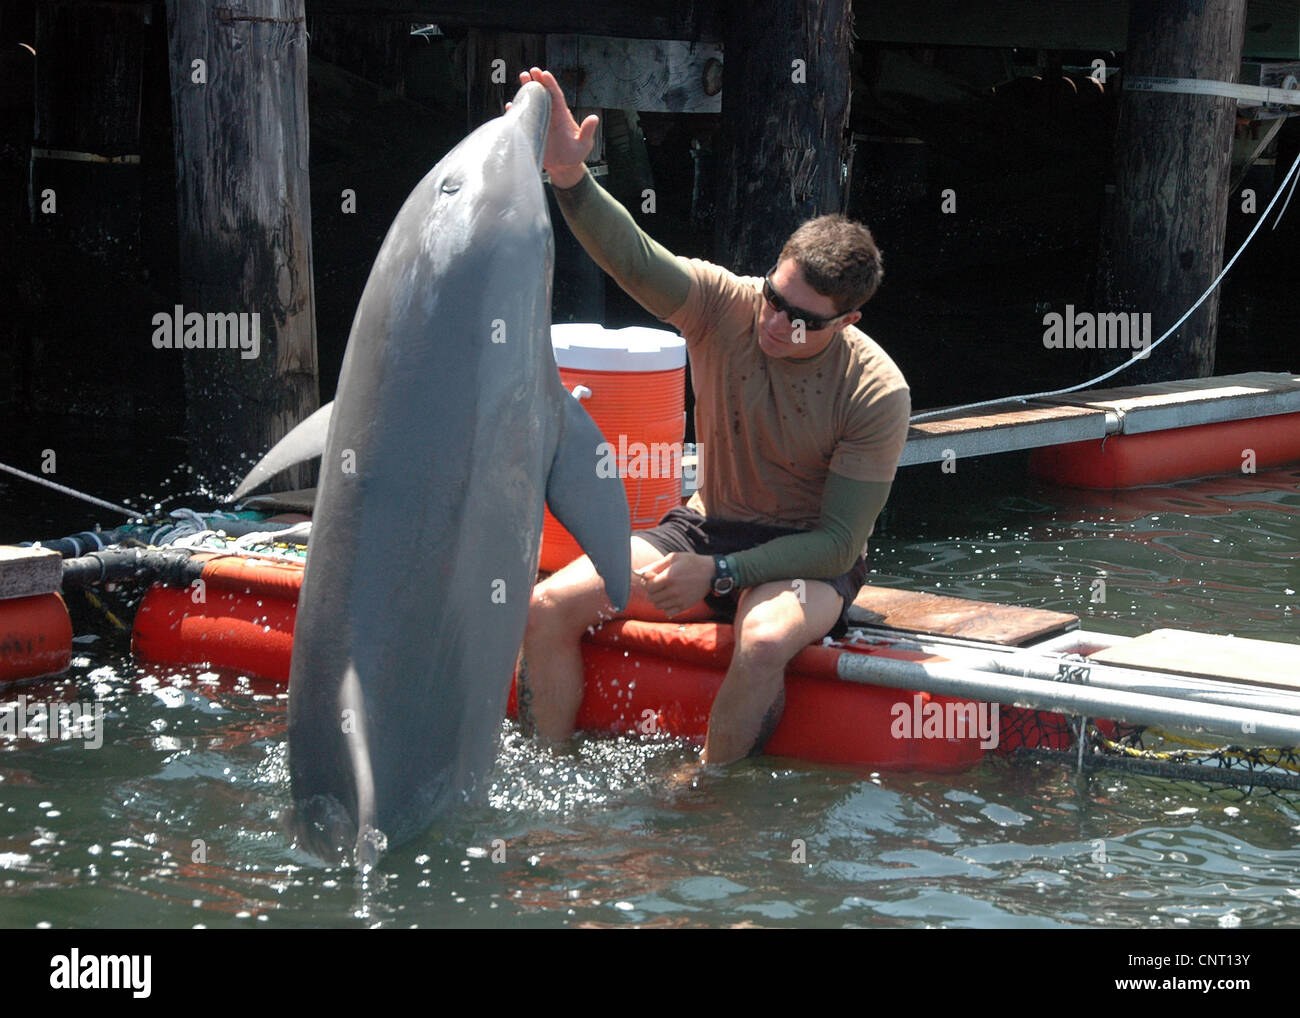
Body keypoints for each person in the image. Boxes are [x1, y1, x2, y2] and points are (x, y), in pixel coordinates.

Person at [518, 68, 911, 768]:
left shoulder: (875, 389)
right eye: (773, 298)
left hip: (805, 561)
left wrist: (721, 573)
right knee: (548, 606)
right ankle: (544, 773)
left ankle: (705, 797)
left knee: (761, 642)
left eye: (802, 321)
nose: (775, 322)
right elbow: (635, 260)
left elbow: (837, 543)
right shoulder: (723, 305)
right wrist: (569, 180)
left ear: (847, 320)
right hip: (706, 525)